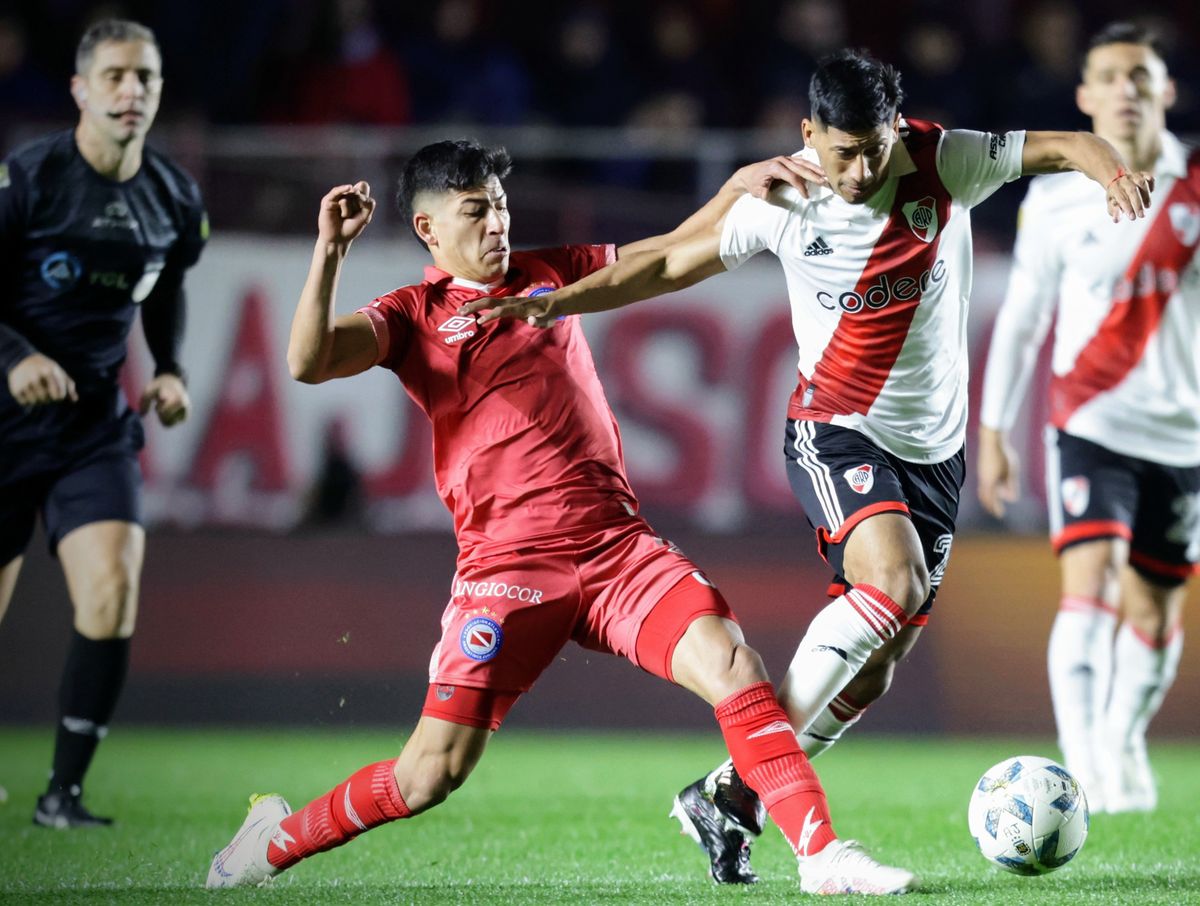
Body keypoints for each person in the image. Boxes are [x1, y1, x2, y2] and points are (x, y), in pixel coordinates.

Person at [462, 49, 1153, 882]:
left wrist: (1112, 169)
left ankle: (732, 793)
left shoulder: (945, 162)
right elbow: (667, 261)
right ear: (808, 134)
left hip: (936, 456)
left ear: (899, 129)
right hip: (837, 431)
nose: (861, 171)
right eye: (843, 151)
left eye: (876, 149)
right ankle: (796, 828)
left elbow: (1065, 146)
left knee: (879, 667)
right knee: (890, 588)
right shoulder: (781, 198)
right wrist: (558, 302)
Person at [205, 139, 920, 895]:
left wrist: (738, 188)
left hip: (618, 554)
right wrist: (329, 253)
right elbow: (308, 361)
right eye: (475, 212)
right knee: (429, 774)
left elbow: (667, 252)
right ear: (428, 231)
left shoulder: (552, 273)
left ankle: (820, 853)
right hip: (507, 573)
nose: (497, 224)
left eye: (502, 206)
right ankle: (273, 839)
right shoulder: (414, 316)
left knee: (734, 664)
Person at [977, 22, 1196, 814]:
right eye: (1109, 76)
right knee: (1089, 584)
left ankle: (1123, 737)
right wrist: (995, 430)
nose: (1125, 91)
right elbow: (1024, 317)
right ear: (1084, 97)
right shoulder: (1058, 194)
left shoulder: (1196, 183)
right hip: (1089, 423)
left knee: (1156, 609)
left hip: (1185, 435)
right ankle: (1083, 768)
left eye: (1141, 76)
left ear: (1167, 91)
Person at [0, 19, 206, 828]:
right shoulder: (27, 180)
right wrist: (15, 355)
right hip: (4, 422)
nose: (133, 91)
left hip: (93, 425)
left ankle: (64, 793)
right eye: (116, 76)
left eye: (147, 78)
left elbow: (165, 290)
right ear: (81, 90)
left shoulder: (173, 197)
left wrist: (170, 369)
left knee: (113, 593)